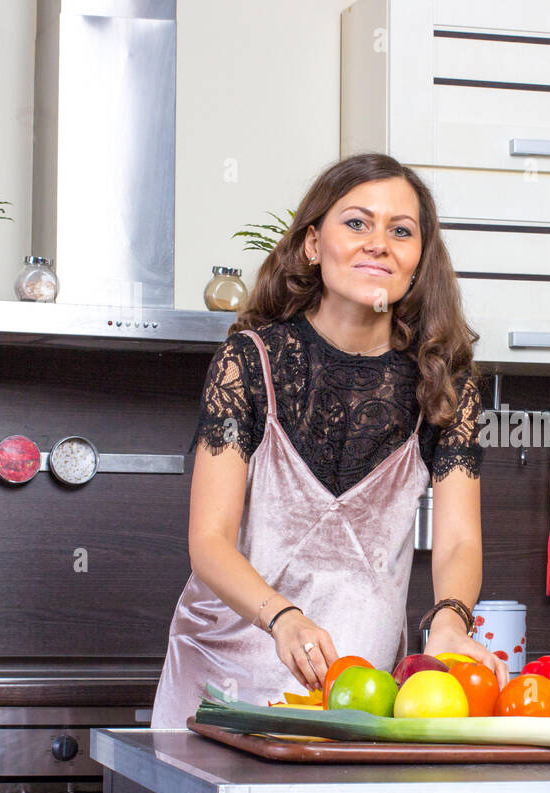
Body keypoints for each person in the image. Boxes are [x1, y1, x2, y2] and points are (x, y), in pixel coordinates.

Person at [152, 153, 505, 729]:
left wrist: (449, 620)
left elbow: (460, 540)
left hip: (358, 689)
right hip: (222, 677)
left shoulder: (445, 385)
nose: (379, 244)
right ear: (313, 244)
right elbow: (209, 543)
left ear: (420, 259)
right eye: (357, 223)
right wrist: (283, 618)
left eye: (401, 231)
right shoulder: (249, 362)